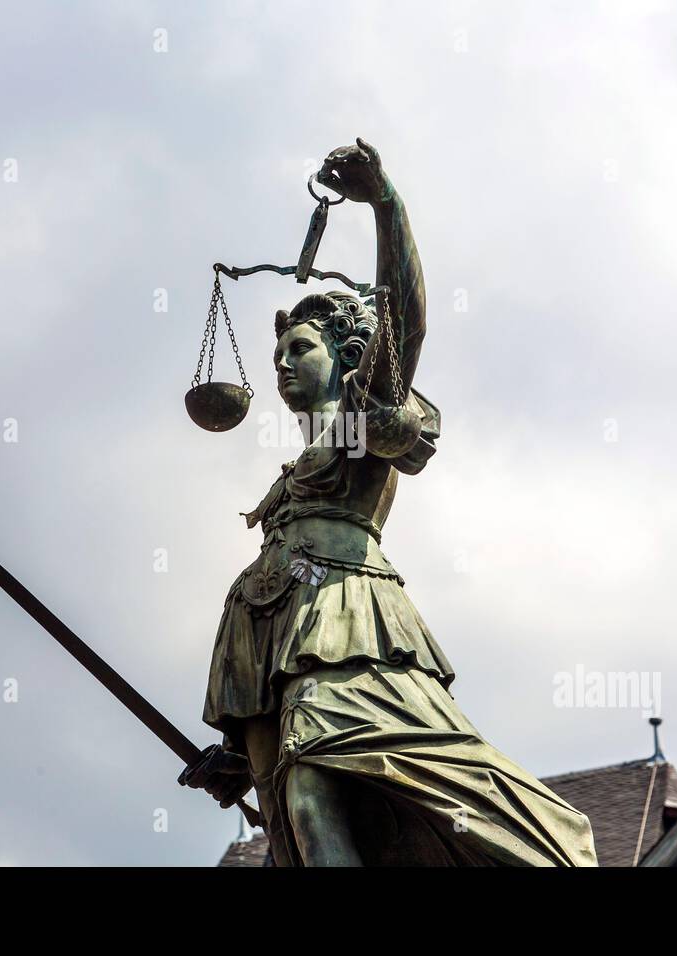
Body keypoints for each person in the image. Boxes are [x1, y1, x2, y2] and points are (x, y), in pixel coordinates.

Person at [180, 139, 597, 867]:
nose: (281, 367)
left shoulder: (362, 415)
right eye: (276, 356)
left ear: (342, 354)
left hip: (348, 620)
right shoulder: (294, 468)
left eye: (298, 350)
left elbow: (404, 318)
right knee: (289, 815)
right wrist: (231, 753)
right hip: (268, 640)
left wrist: (386, 206)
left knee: (314, 781)